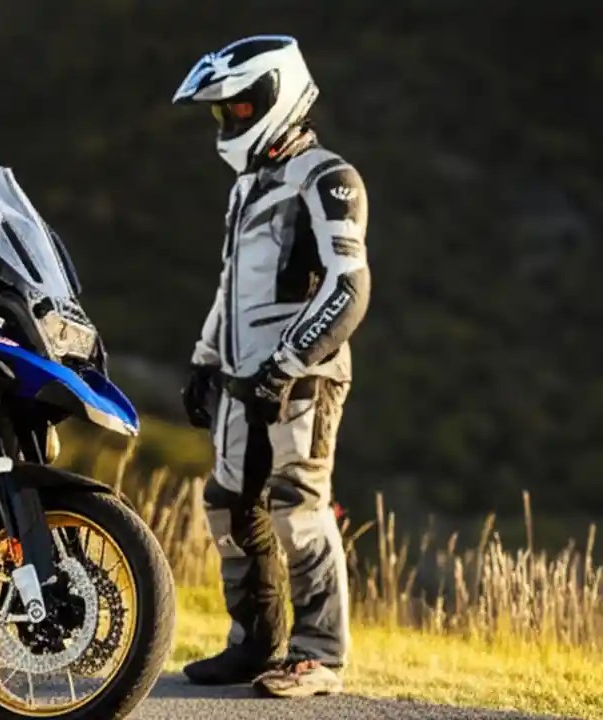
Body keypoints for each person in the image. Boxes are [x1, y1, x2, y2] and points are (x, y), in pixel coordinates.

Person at [170, 35, 371, 698]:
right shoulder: (249, 185)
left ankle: (319, 655)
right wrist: (205, 360)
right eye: (221, 111)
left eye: (238, 107)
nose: (228, 121)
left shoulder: (328, 178)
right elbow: (232, 283)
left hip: (302, 379)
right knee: (229, 505)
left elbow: (350, 288)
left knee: (297, 507)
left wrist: (286, 366)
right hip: (241, 376)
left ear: (277, 97)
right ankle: (254, 644)